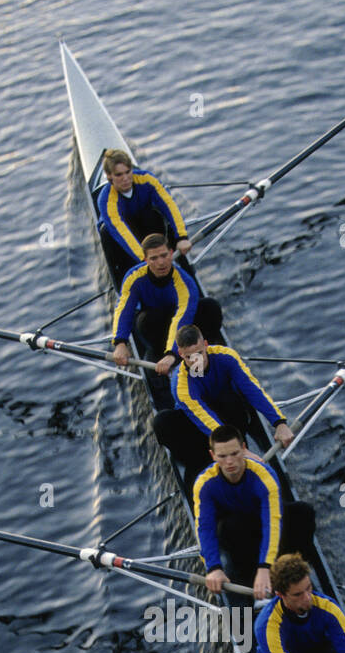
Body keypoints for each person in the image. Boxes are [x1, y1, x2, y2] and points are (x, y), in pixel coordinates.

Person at [154, 325, 294, 480]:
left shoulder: (226, 356)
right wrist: (234, 449)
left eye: (199, 353)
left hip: (227, 416)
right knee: (162, 421)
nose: (196, 362)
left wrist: (279, 422)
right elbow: (205, 419)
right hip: (199, 427)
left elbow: (252, 389)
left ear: (206, 345)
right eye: (189, 357)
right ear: (180, 354)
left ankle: (236, 446)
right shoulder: (180, 385)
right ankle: (197, 463)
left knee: (231, 399)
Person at [193, 425, 315, 601]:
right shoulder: (204, 484)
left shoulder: (265, 475)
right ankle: (250, 582)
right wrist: (213, 568)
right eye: (222, 456)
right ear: (213, 456)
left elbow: (272, 523)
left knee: (303, 511)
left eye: (235, 453)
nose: (230, 462)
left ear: (244, 449)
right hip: (238, 534)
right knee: (230, 527)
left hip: (266, 524)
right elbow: (205, 528)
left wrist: (265, 567)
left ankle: (299, 573)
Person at [111, 236, 221, 377]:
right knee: (143, 322)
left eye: (164, 255)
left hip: (182, 328)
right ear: (145, 260)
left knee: (210, 307)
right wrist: (120, 343)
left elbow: (182, 320)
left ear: (171, 253)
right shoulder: (133, 277)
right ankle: (160, 360)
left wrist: (172, 354)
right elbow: (124, 309)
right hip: (156, 329)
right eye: (154, 258)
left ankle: (204, 354)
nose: (161, 263)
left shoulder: (185, 283)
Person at [97, 149, 192, 278]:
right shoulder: (106, 200)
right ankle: (121, 282)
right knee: (105, 231)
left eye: (128, 172)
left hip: (146, 227)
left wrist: (182, 237)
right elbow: (122, 232)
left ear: (132, 170)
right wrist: (144, 260)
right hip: (123, 239)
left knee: (156, 214)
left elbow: (170, 206)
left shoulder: (147, 180)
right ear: (109, 176)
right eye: (119, 175)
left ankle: (182, 266)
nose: (125, 178)